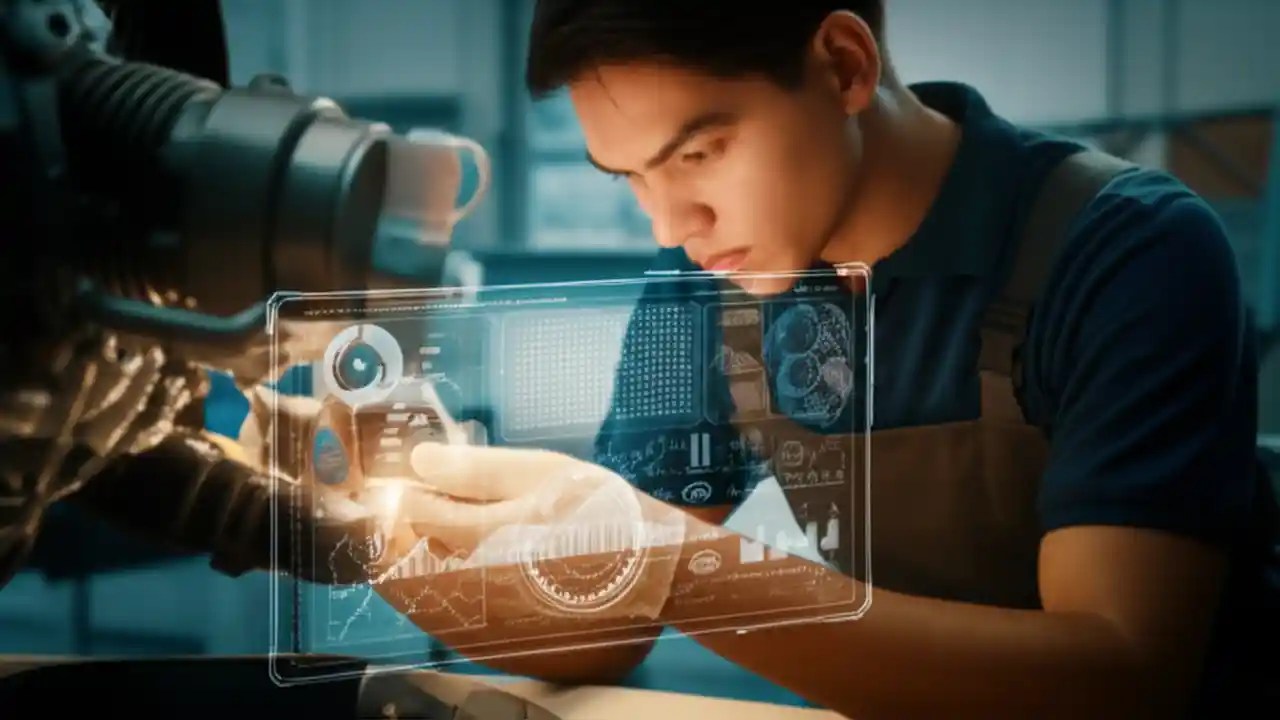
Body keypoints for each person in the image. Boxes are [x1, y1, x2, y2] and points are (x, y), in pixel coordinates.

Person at [260, 2, 1277, 717]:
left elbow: (1117, 680)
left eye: (697, 153)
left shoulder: (1121, 252)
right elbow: (599, 629)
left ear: (842, 64)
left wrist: (667, 556)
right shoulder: (705, 289)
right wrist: (362, 522)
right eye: (630, 177)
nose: (674, 220)